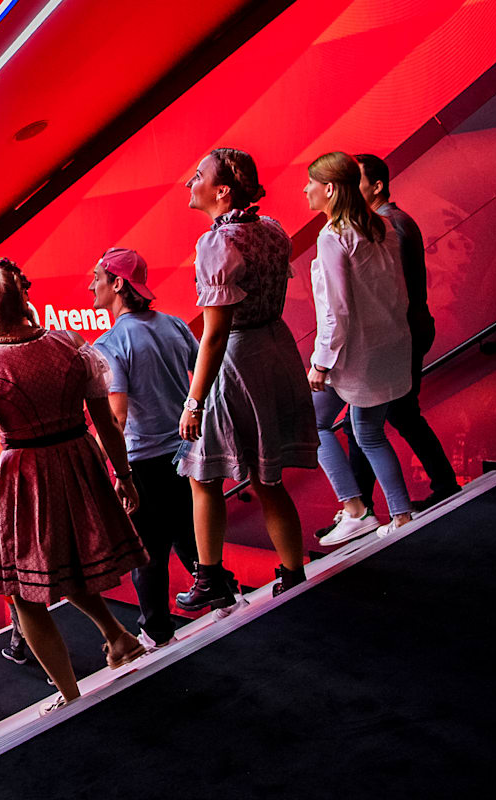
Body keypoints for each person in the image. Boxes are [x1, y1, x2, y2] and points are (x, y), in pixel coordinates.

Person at [0, 257, 148, 713]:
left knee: (25, 591)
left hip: (27, 478)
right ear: (25, 297)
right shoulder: (71, 344)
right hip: (79, 461)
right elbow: (106, 424)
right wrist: (123, 474)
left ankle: (70, 693)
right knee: (72, 562)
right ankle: (117, 638)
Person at [175, 147, 319, 609]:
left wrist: (194, 402)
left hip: (237, 359)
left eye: (197, 175)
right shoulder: (271, 230)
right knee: (266, 476)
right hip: (274, 349)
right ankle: (293, 571)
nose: (188, 183)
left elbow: (215, 334)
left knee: (202, 472)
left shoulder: (217, 243)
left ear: (221, 190)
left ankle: (211, 575)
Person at [88, 247, 202, 650]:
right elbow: (204, 374)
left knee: (148, 552)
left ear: (117, 284)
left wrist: (103, 466)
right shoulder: (173, 324)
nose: (91, 286)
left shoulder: (111, 342)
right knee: (190, 533)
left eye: (97, 278)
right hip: (187, 452)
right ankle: (221, 589)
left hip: (144, 462)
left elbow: (115, 417)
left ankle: (155, 630)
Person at [304, 151, 415, 546]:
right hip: (389, 345)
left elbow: (337, 310)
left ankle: (357, 511)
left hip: (353, 354)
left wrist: (320, 362)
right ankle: (395, 513)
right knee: (368, 431)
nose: (306, 190)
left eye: (311, 183)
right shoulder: (382, 225)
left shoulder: (332, 236)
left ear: (330, 189)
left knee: (314, 424)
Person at [345, 154, 461, 513]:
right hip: (408, 332)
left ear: (377, 186)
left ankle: (360, 507)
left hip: (399, 336)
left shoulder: (386, 227)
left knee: (364, 421)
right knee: (395, 415)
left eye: (356, 182)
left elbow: (384, 293)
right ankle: (440, 483)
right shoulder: (392, 221)